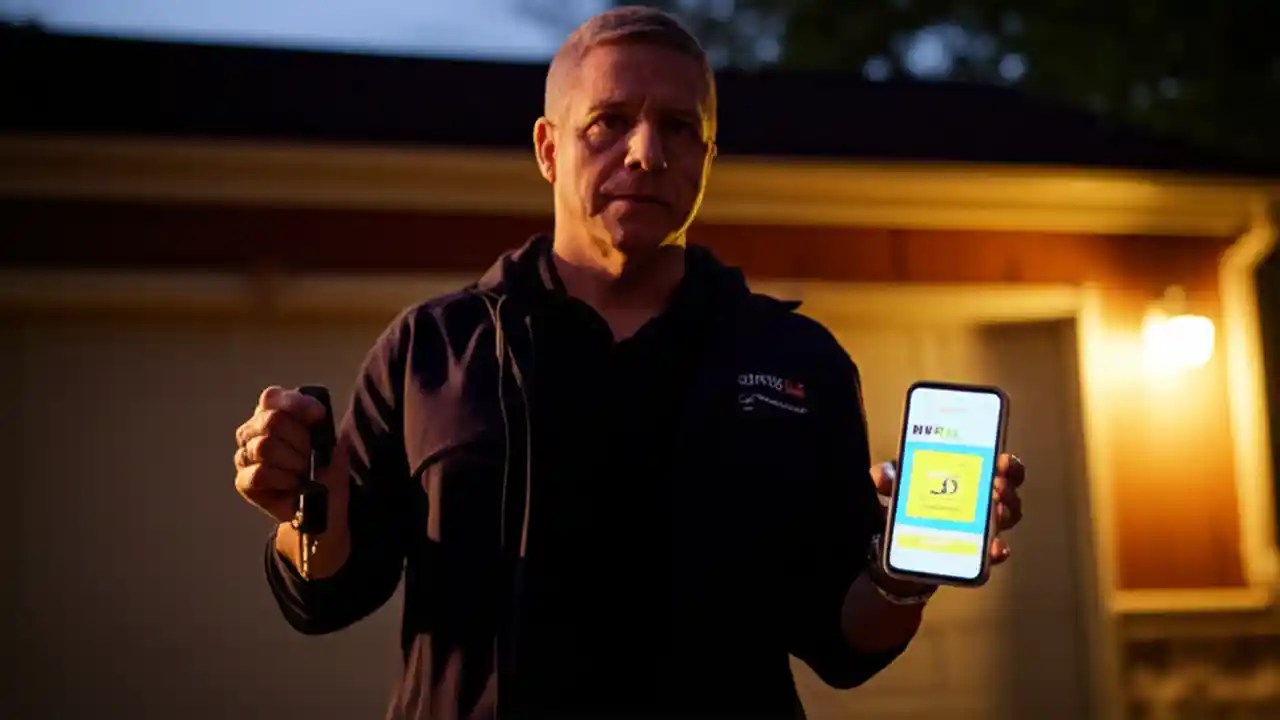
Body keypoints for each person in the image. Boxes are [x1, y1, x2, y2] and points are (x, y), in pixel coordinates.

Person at [231, 6, 1026, 719]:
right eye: (609, 122)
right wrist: (301, 511)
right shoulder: (431, 350)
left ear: (708, 155)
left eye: (679, 127)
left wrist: (902, 575)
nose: (646, 153)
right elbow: (329, 593)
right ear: (548, 148)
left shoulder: (796, 361)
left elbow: (843, 643)